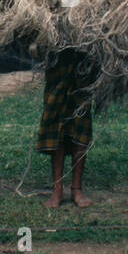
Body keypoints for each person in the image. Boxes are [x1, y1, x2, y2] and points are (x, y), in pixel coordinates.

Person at [37, 49, 94, 208]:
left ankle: (76, 189)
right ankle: (58, 190)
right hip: (58, 61)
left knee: (81, 123)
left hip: (84, 62)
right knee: (56, 123)